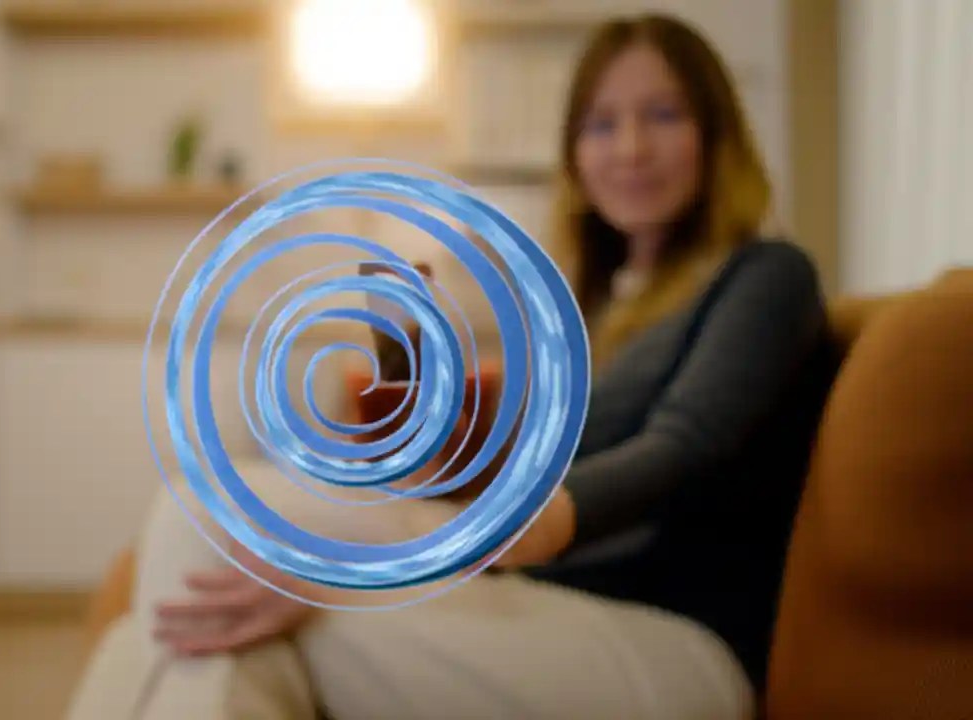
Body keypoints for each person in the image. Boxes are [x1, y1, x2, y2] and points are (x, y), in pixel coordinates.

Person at [68, 13, 834, 720]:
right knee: (216, 605)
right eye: (602, 123)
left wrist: (478, 538)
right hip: (539, 608)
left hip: (678, 648)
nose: (630, 146)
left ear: (717, 133)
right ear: (575, 152)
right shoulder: (585, 313)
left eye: (663, 115)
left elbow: (686, 443)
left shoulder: (766, 276)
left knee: (207, 564)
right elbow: (499, 491)